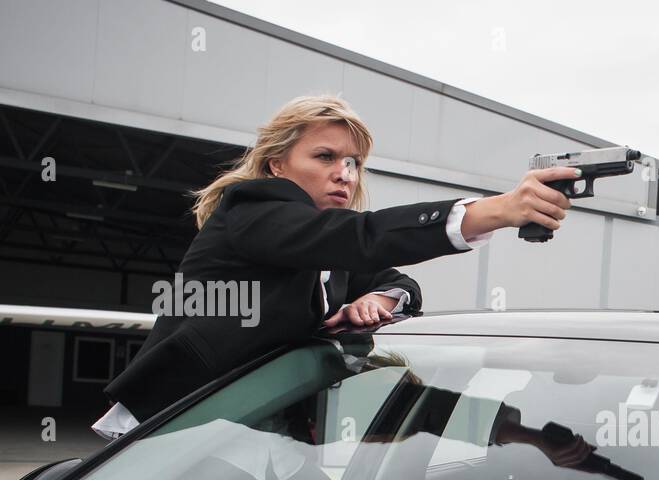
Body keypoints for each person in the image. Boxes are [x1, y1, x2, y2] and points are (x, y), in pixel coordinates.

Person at [94, 93, 582, 438]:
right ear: (276, 165)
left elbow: (395, 279)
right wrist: (497, 210)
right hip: (180, 425)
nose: (343, 174)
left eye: (353, 163)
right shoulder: (253, 209)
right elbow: (363, 239)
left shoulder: (326, 252)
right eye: (325, 156)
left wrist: (379, 298)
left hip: (263, 432)